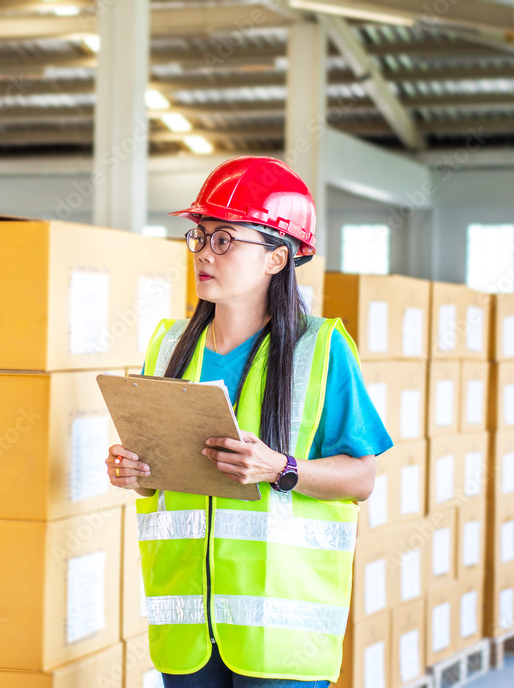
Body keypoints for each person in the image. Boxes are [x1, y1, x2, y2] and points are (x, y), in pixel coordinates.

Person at [106, 156, 393, 688]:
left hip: (279, 634)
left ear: (276, 259)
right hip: (187, 631)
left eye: (224, 240)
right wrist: (133, 472)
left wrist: (281, 468)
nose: (203, 254)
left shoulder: (320, 349)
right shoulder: (168, 345)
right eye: (199, 236)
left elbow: (362, 478)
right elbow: (161, 481)